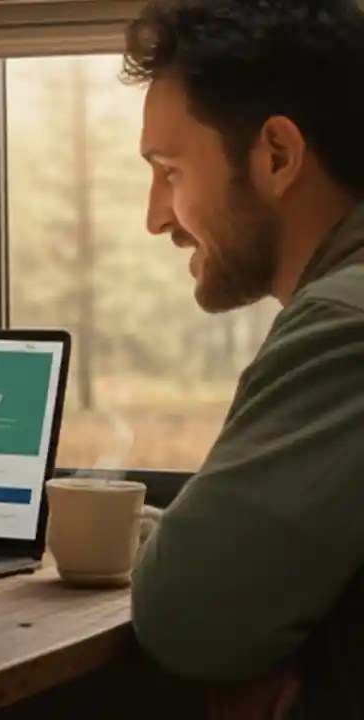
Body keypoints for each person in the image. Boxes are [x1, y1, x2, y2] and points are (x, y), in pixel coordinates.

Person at [123, 0, 364, 716]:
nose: (155, 217)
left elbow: (190, 619)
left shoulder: (343, 327)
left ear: (278, 157)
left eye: (169, 170)